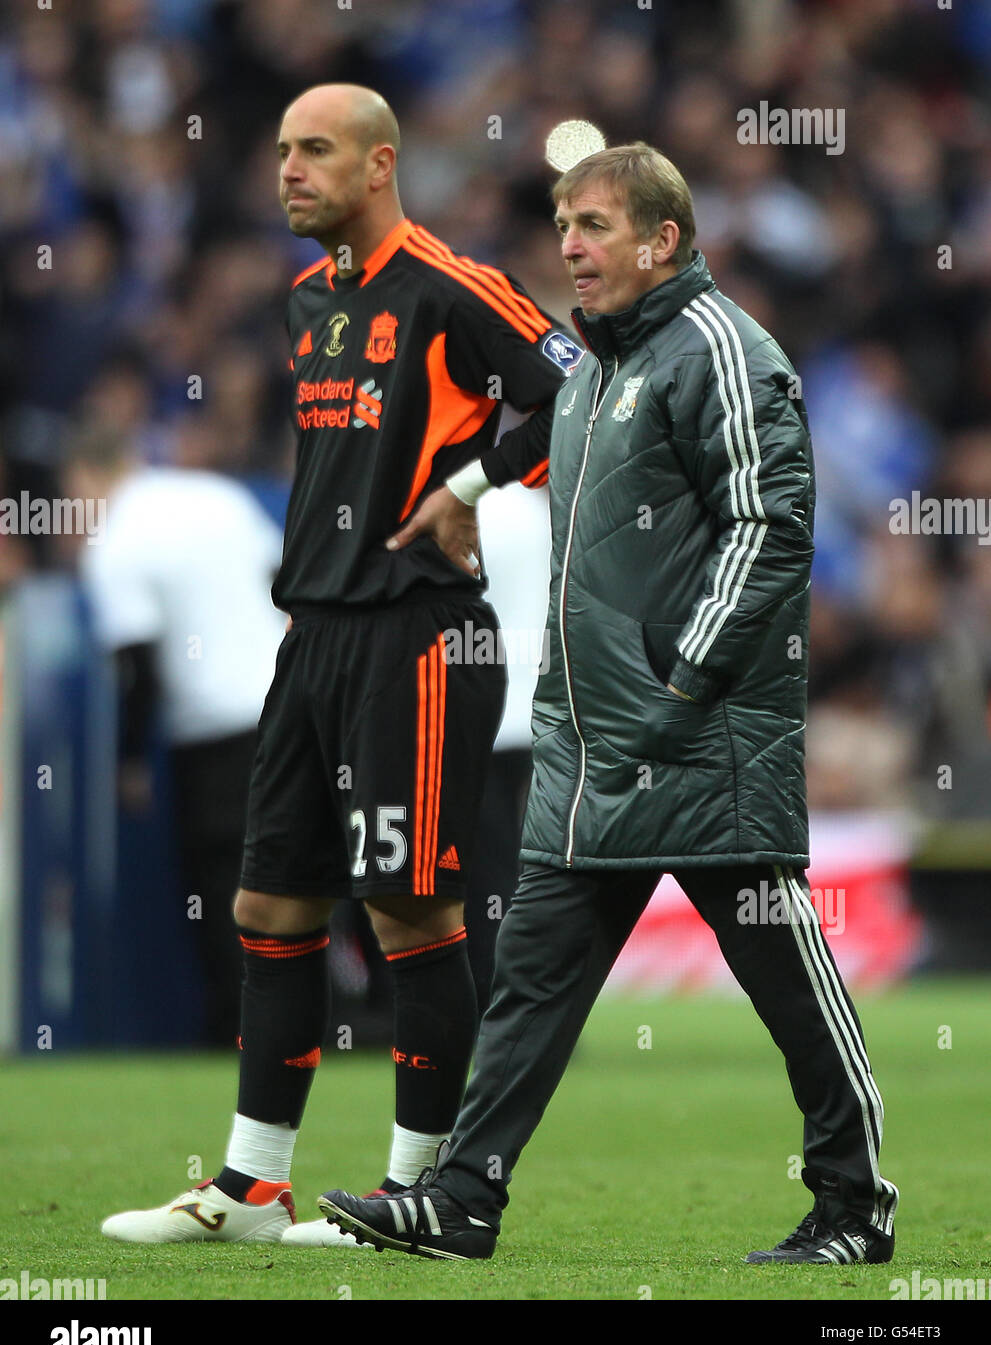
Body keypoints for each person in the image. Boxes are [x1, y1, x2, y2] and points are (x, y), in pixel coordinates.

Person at [317, 143, 900, 1264]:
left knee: (789, 985)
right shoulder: (597, 366)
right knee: (529, 987)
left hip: (699, 740)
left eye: (591, 225)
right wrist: (465, 487)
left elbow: (770, 526)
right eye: (563, 224)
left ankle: (851, 1208)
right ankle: (463, 1197)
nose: (570, 246)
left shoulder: (725, 350)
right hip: (588, 751)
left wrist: (684, 680)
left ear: (660, 240)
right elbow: (532, 436)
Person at [101, 84, 581, 1245]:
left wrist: (470, 483)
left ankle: (419, 1190)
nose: (287, 171)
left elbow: (577, 389)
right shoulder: (309, 297)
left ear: (380, 165)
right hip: (309, 638)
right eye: (279, 151)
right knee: (270, 902)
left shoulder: (451, 285)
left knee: (411, 912)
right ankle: (251, 1186)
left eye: (315, 151)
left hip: (416, 640)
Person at [72, 422, 286, 1046]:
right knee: (295, 879)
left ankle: (239, 1030)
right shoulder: (215, 496)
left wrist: (130, 760)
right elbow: (289, 583)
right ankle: (321, 1019)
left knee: (224, 884)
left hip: (216, 737)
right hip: (292, 713)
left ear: (84, 478)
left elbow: (135, 665)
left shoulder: (118, 539)